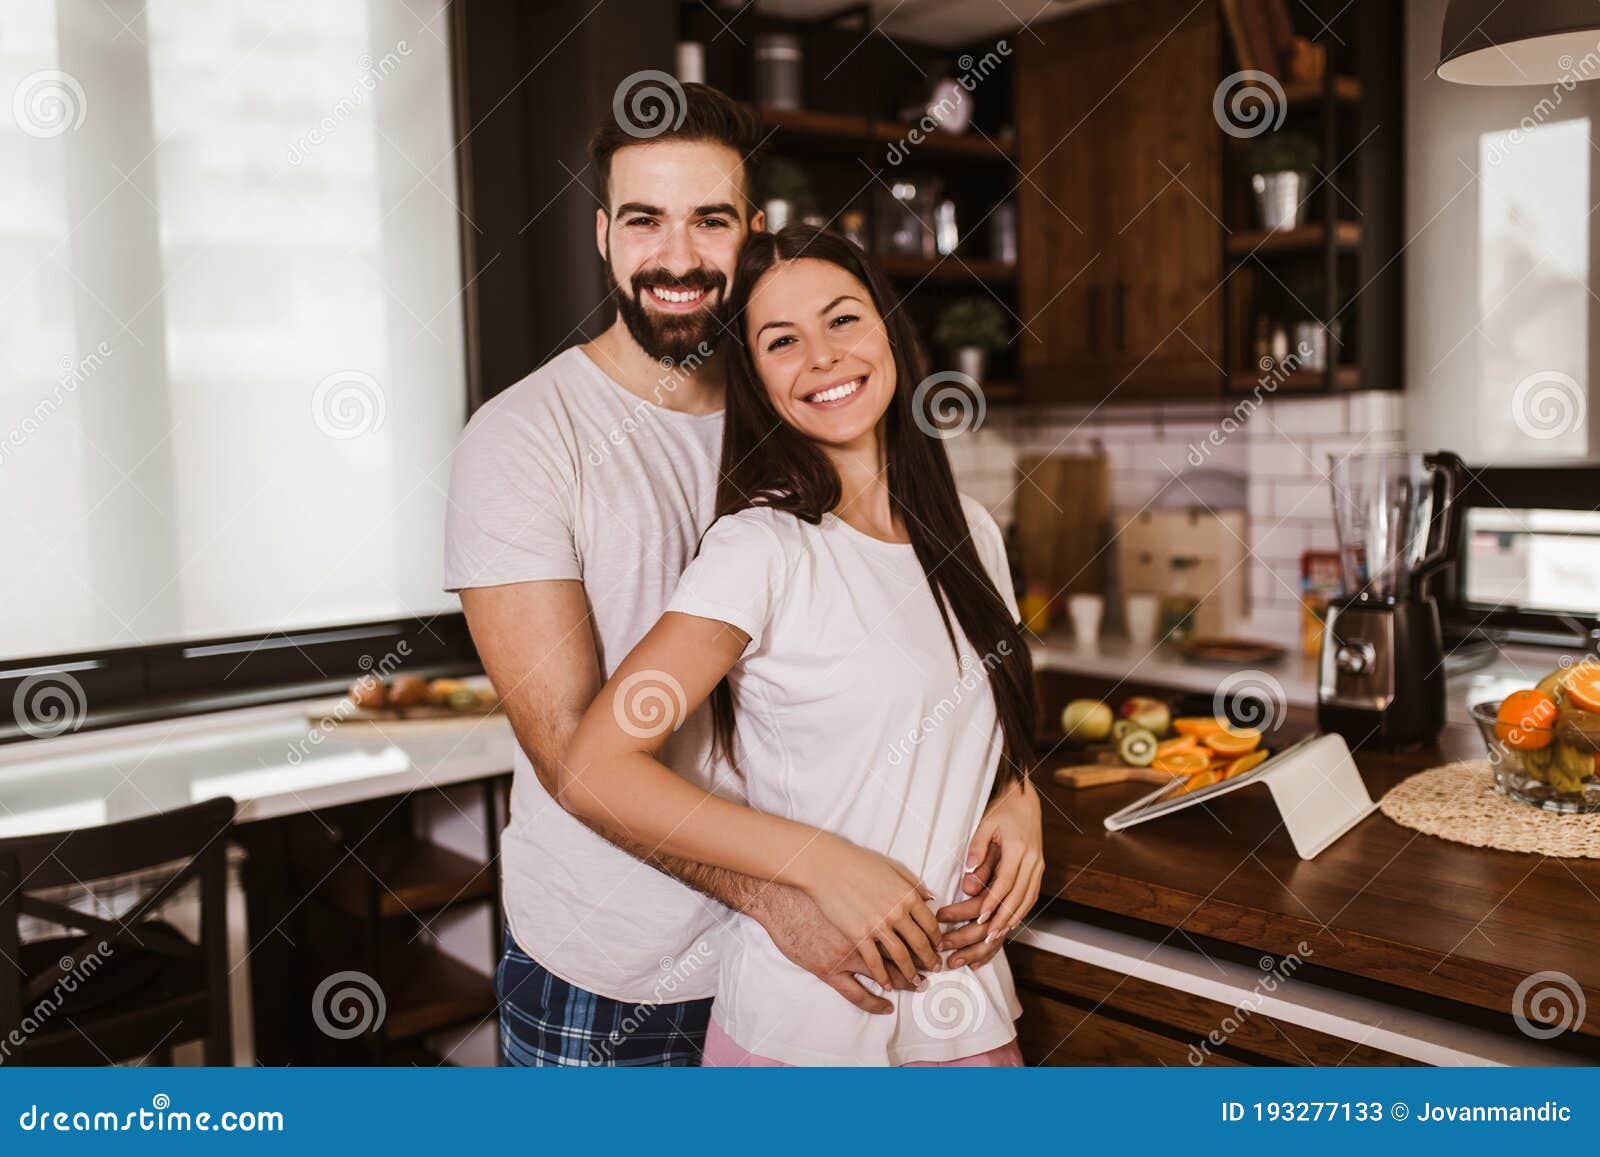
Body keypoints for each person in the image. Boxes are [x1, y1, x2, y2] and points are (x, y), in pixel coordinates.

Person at [444, 84, 1040, 1066]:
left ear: (750, 233)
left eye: (709, 220)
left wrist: (1011, 798)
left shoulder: (801, 411)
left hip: (828, 959)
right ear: (603, 234)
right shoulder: (521, 440)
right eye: (644, 221)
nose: (677, 256)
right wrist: (784, 895)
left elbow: (937, 690)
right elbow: (573, 758)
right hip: (620, 966)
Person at [557, 226, 1043, 1066]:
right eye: (782, 341)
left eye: (843, 320)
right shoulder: (763, 548)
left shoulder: (972, 537)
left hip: (966, 1009)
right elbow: (591, 766)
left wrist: (1018, 795)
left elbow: (974, 718)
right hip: (812, 1026)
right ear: (756, 378)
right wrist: (820, 863)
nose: (822, 356)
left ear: (890, 332)